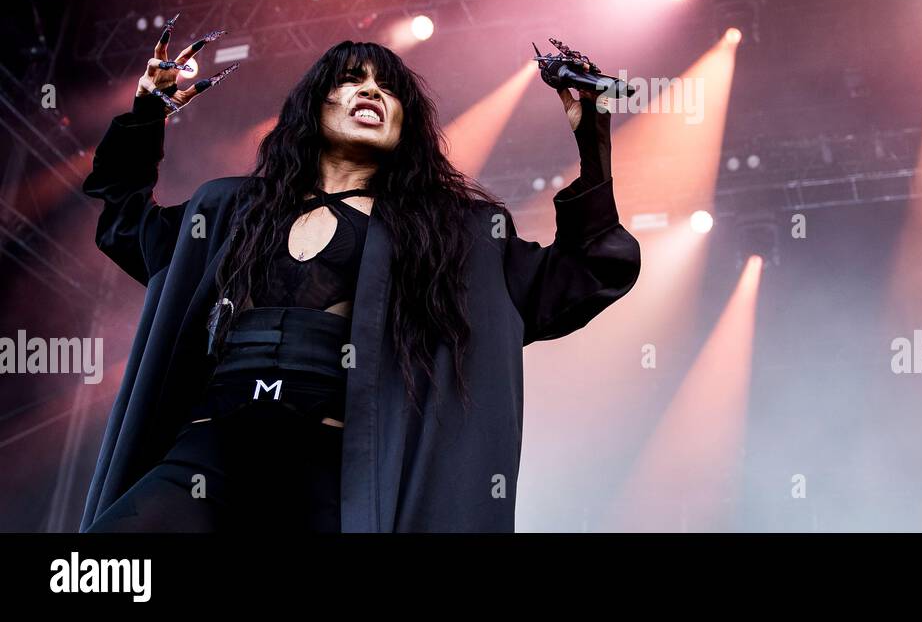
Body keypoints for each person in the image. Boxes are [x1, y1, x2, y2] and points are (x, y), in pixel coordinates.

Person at [80, 26, 640, 531]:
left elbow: (583, 273)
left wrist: (591, 136)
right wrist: (147, 113)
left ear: (405, 123)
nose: (371, 90)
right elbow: (127, 227)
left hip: (331, 469)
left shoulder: (450, 233)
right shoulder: (230, 208)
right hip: (207, 457)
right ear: (314, 105)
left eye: (388, 88)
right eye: (351, 79)